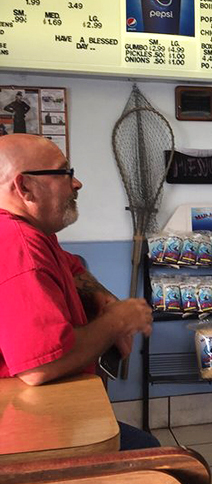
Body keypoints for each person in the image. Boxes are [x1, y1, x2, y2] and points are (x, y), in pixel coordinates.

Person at [0, 134, 158, 450]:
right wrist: (117, 320)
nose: (77, 183)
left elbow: (71, 267)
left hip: (51, 406)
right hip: (29, 432)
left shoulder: (35, 234)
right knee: (156, 457)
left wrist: (102, 298)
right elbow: (39, 366)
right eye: (64, 173)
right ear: (25, 187)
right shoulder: (18, 245)